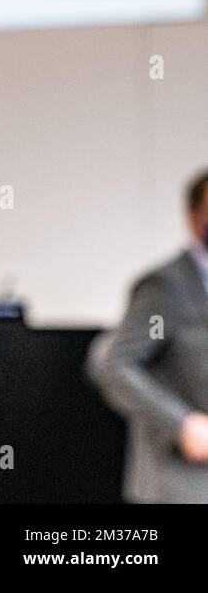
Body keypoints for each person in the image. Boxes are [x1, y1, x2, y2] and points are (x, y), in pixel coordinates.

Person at [86, 169, 208, 502]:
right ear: (195, 216)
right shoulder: (167, 287)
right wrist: (181, 424)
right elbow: (116, 364)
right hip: (182, 484)